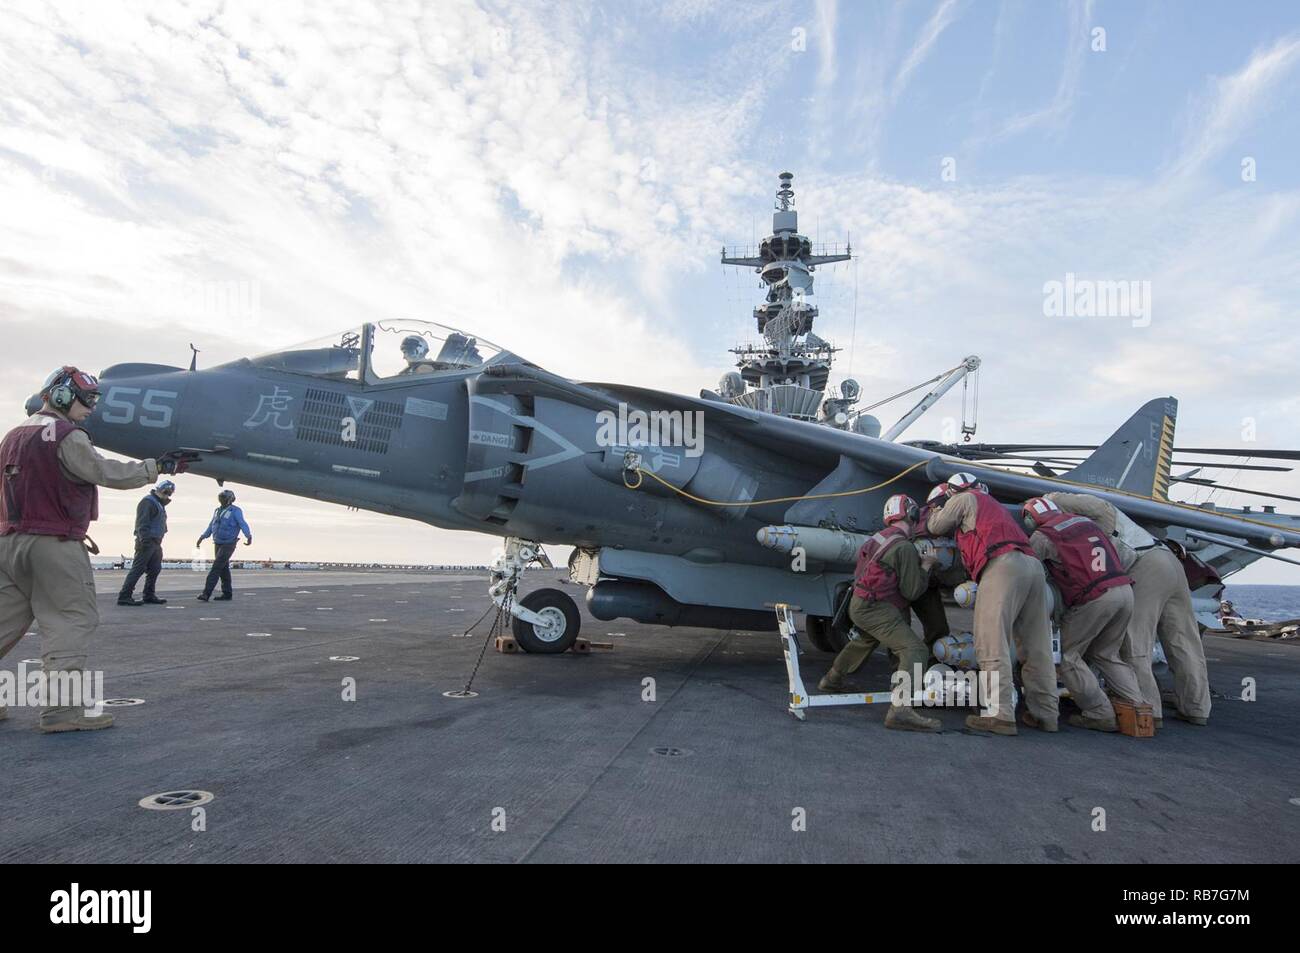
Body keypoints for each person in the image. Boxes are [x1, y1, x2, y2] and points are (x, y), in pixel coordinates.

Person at [0, 366, 186, 732]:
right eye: (87, 401)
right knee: (70, 622)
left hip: (7, 544)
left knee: (3, 624)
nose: (91, 409)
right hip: (53, 544)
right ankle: (61, 713)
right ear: (63, 396)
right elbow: (103, 472)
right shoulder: (67, 435)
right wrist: (156, 467)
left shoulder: (12, 435)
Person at [1044, 491, 1211, 727]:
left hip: (1144, 566)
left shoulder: (1094, 510)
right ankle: (1197, 708)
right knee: (1184, 641)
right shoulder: (1106, 519)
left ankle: (1148, 711)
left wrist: (1048, 497)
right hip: (1169, 561)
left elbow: (1097, 505)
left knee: (1134, 643)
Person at [926, 474, 1059, 735]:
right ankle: (1046, 714)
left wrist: (936, 509)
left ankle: (1000, 714)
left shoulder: (962, 498)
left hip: (1002, 565)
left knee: (991, 642)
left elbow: (935, 527)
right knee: (1036, 645)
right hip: (1033, 567)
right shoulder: (992, 503)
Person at [819, 494, 943, 732]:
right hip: (876, 606)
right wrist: (926, 565)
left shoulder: (878, 538)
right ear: (911, 514)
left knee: (866, 638)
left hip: (861, 602)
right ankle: (901, 710)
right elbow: (912, 591)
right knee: (914, 649)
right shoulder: (904, 547)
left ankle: (832, 679)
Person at [1022, 497, 1144, 732]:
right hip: (1125, 590)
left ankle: (1099, 713)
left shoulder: (1044, 535)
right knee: (1107, 653)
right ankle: (1138, 710)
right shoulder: (1086, 522)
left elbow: (1028, 566)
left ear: (1030, 519)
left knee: (1068, 656)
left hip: (1097, 597)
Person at [117, 480, 175, 606]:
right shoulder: (148, 502)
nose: (167, 495)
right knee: (138, 569)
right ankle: (124, 596)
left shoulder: (159, 504)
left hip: (156, 542)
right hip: (147, 541)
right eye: (166, 492)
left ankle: (149, 594)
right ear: (159, 489)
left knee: (155, 569)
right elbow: (142, 523)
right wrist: (145, 541)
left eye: (170, 493)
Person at [196, 489, 252, 602]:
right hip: (218, 542)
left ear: (230, 499)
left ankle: (206, 593)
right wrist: (203, 536)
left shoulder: (236, 511)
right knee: (223, 569)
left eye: (224, 498)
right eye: (220, 498)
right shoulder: (217, 511)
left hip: (229, 543)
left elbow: (242, 523)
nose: (221, 500)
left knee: (216, 567)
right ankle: (227, 594)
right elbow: (212, 525)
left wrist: (248, 535)